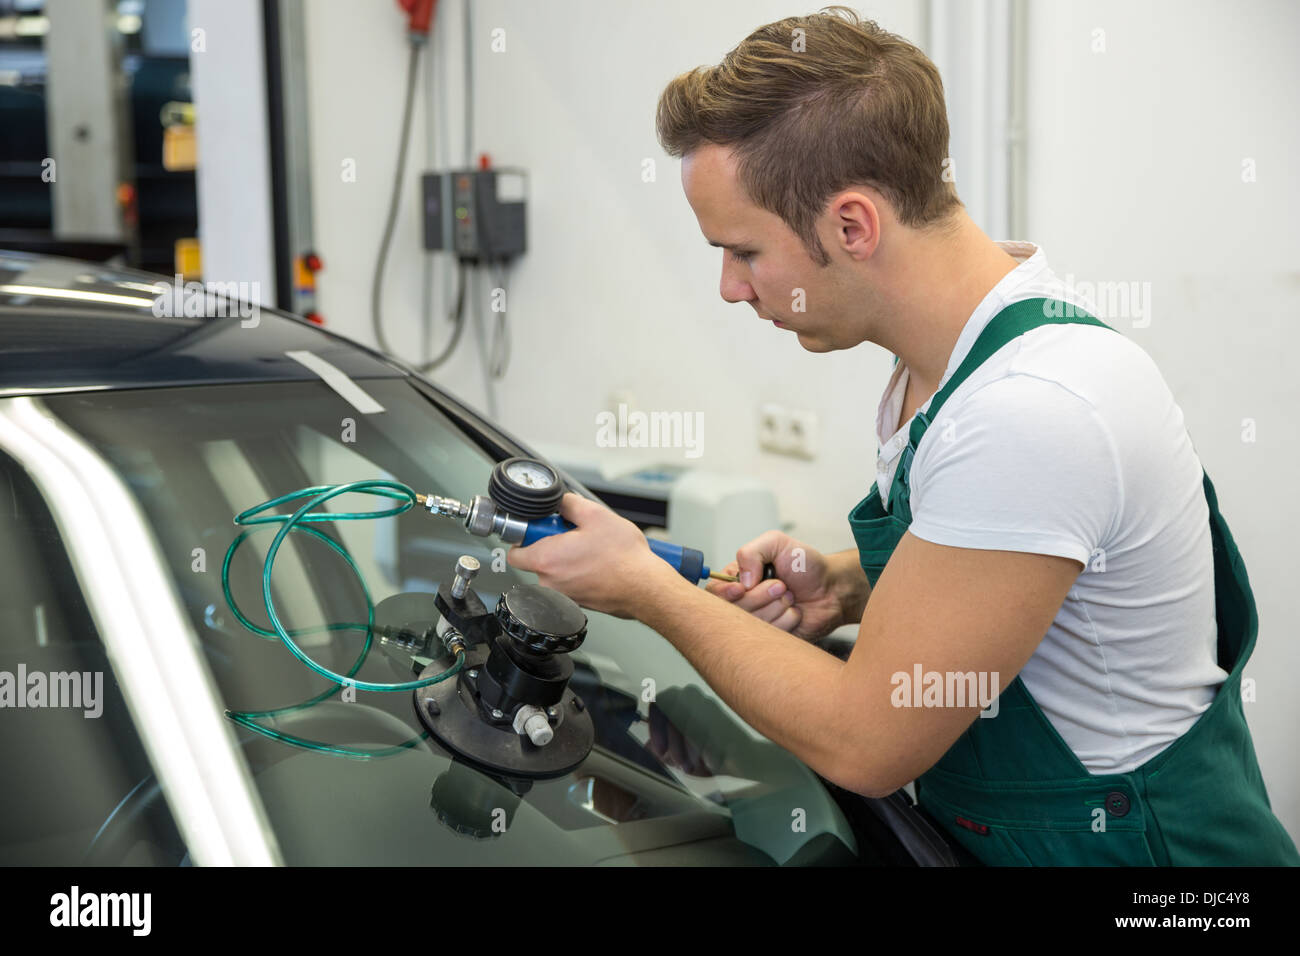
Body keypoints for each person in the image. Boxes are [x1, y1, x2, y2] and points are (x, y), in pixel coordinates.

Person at [507, 7, 1299, 866]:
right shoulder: (955, 360)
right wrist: (848, 585)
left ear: (852, 226)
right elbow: (1010, 566)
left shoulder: (1033, 408)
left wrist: (647, 589)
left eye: (743, 252)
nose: (731, 288)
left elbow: (866, 742)